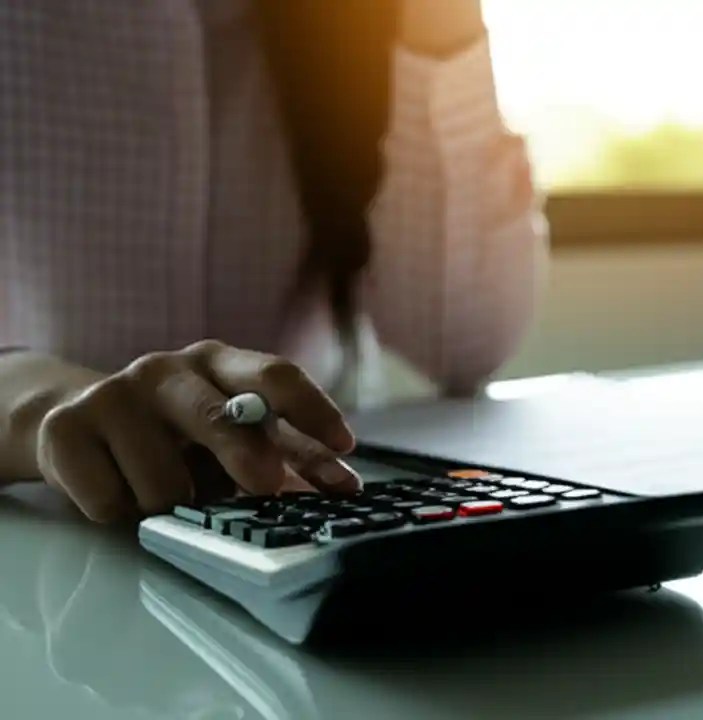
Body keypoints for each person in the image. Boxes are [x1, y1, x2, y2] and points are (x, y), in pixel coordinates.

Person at [0, 1, 547, 522]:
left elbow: (463, 343)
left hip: (316, 521)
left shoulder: (351, 21)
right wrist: (42, 408)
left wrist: (438, 32)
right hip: (46, 543)